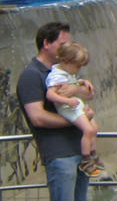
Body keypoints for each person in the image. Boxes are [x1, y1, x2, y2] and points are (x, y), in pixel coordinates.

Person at [16, 21, 103, 201]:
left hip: (79, 149)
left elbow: (87, 91)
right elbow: (38, 117)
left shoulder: (64, 71)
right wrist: (77, 121)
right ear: (47, 43)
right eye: (63, 43)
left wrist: (78, 93)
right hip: (59, 153)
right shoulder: (32, 75)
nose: (69, 47)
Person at [45, 40, 109, 180]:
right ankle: (86, 161)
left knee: (94, 127)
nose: (79, 69)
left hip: (74, 105)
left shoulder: (67, 72)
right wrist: (67, 100)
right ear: (66, 62)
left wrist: (82, 82)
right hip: (67, 107)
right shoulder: (56, 75)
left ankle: (92, 154)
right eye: (78, 66)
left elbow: (73, 82)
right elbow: (50, 94)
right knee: (88, 130)